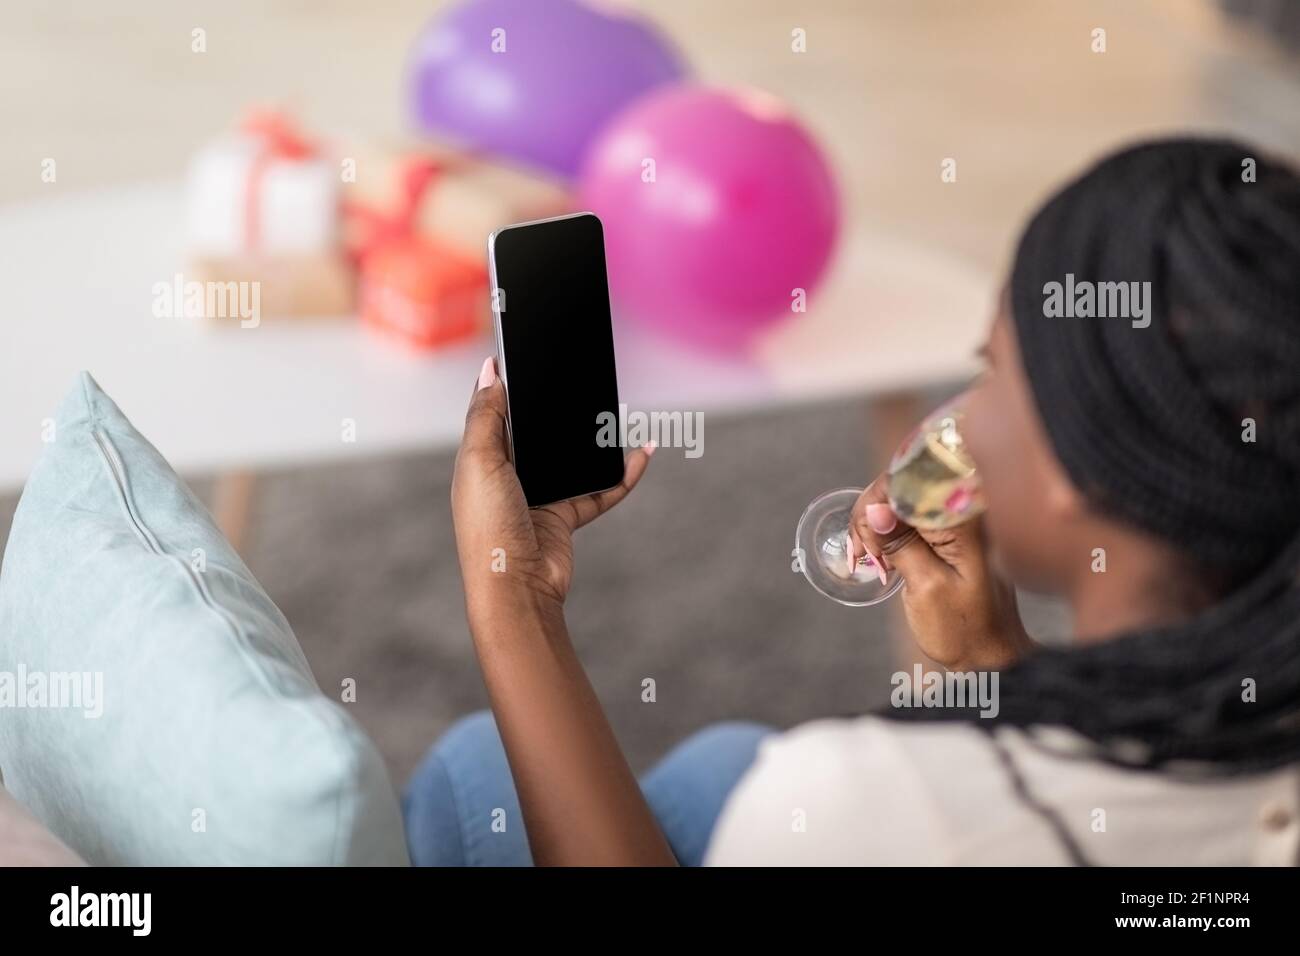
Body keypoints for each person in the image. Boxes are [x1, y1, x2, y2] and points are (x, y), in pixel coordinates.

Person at [403, 138, 1300, 866]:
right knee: (723, 762)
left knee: (476, 762)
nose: (964, 421)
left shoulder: (867, 798)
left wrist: (512, 592)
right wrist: (998, 668)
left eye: (993, 374)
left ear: (1076, 473)